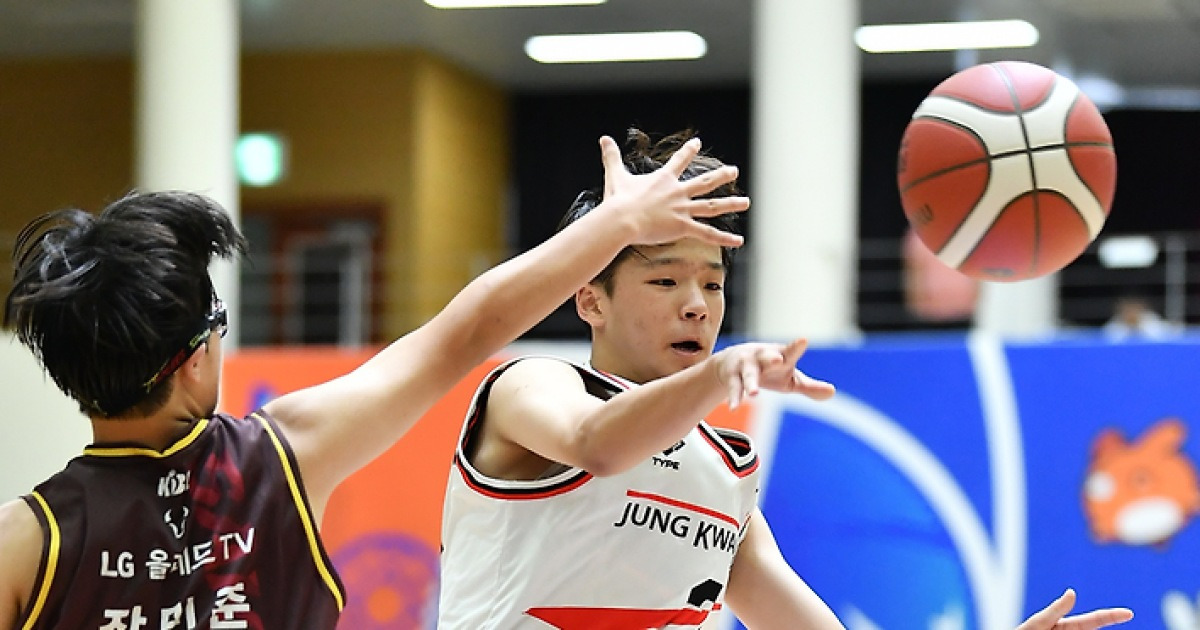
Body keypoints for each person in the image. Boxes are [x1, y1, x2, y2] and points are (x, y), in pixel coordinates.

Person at [0, 135, 749, 629]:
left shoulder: (25, 539)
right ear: (198, 354)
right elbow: (467, 331)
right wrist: (617, 225)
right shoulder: (278, 459)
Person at [437, 129, 1134, 630]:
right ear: (591, 300)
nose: (697, 304)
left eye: (713, 284)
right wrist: (718, 374)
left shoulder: (723, 473)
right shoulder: (529, 386)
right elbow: (597, 443)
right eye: (666, 281)